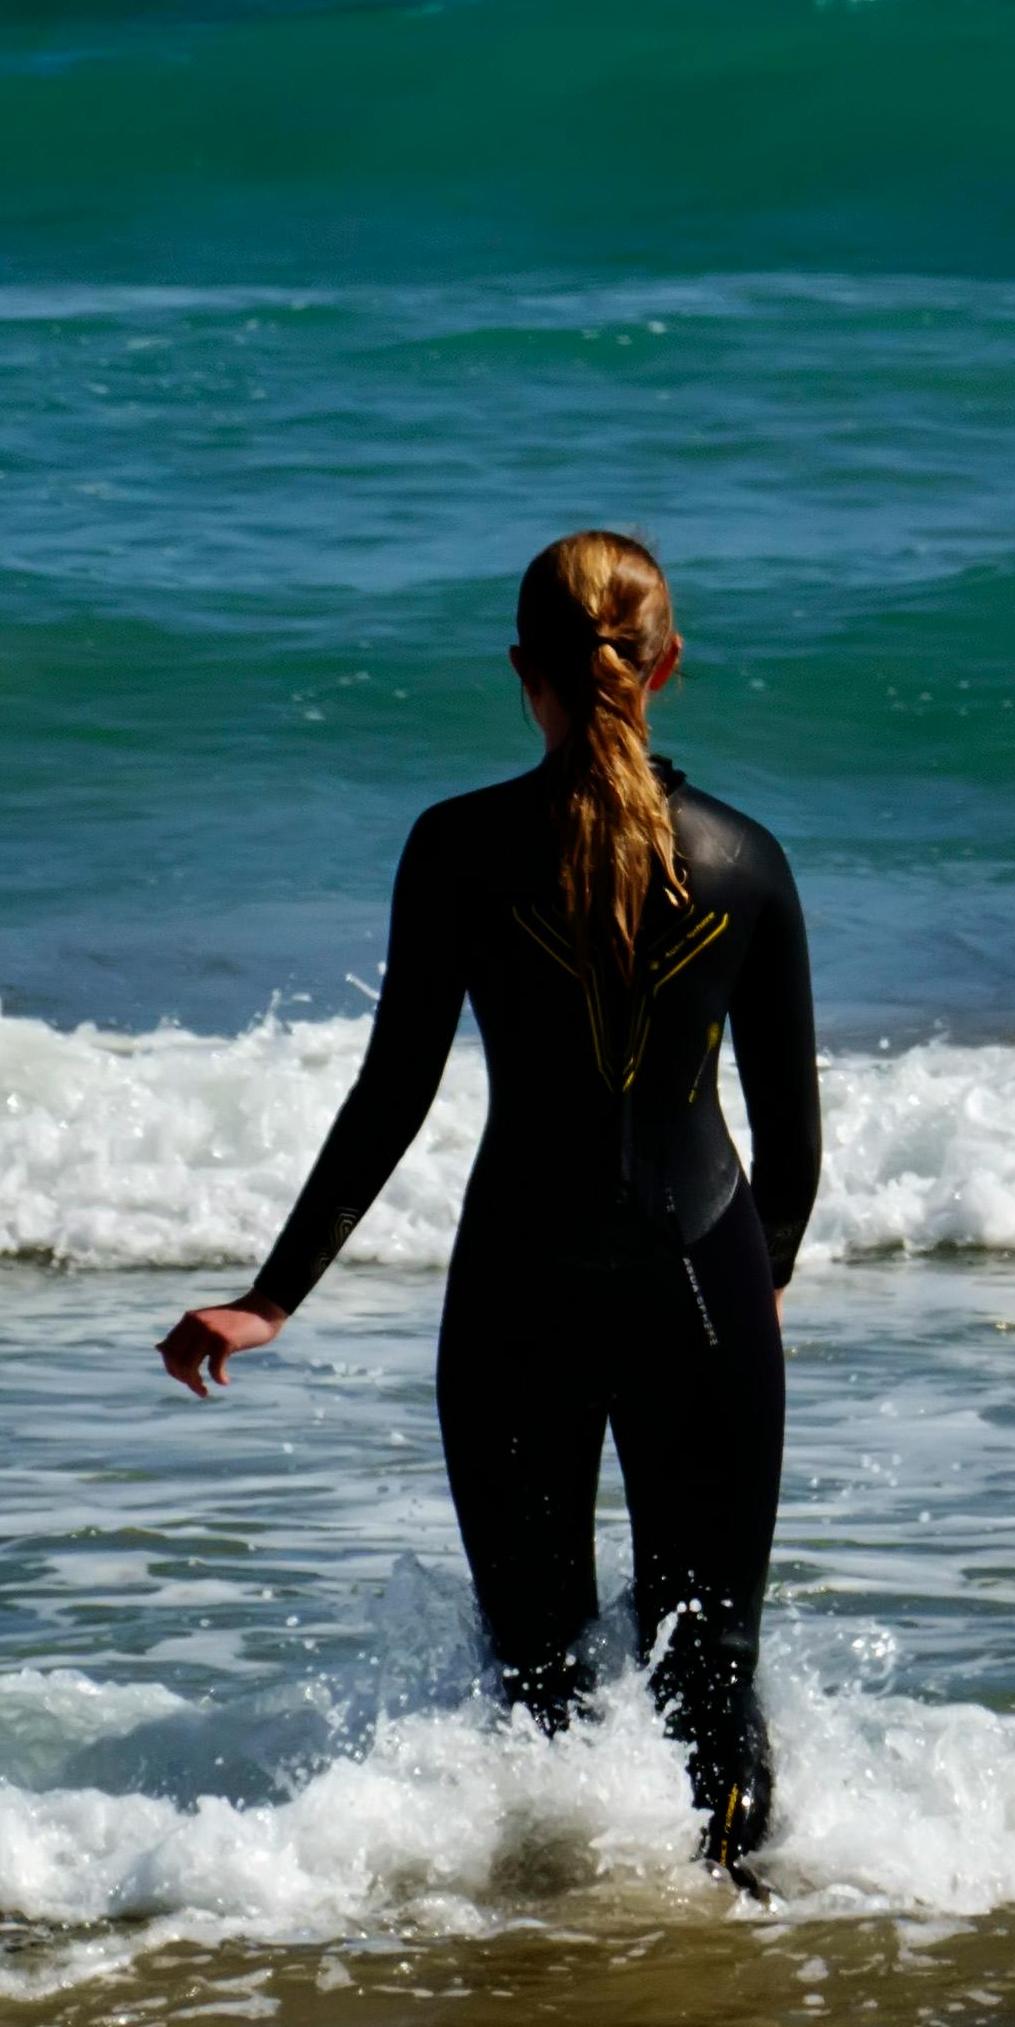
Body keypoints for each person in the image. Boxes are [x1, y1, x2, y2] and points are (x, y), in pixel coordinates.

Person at [159, 529, 819, 1882]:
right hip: (705, 1290)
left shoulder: (456, 850)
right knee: (713, 1679)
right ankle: (735, 1966)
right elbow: (791, 1147)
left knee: (537, 1682)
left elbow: (391, 1093)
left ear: (523, 670)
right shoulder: (746, 862)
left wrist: (270, 1297)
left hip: (518, 1297)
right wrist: (756, 1289)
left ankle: (544, 1974)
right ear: (667, 665)